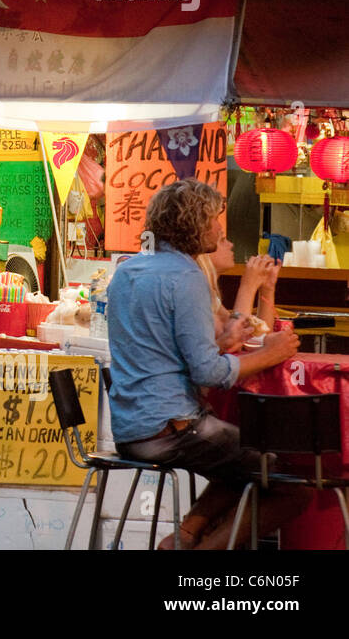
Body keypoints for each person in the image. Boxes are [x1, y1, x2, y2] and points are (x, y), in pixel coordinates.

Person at [106, 179, 308, 550]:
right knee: (292, 483)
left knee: (244, 462)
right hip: (171, 430)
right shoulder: (185, 277)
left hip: (130, 429)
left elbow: (159, 350)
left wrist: (222, 342)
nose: (220, 228)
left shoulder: (128, 271)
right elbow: (208, 373)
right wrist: (271, 354)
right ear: (194, 223)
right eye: (216, 219)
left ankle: (183, 537)